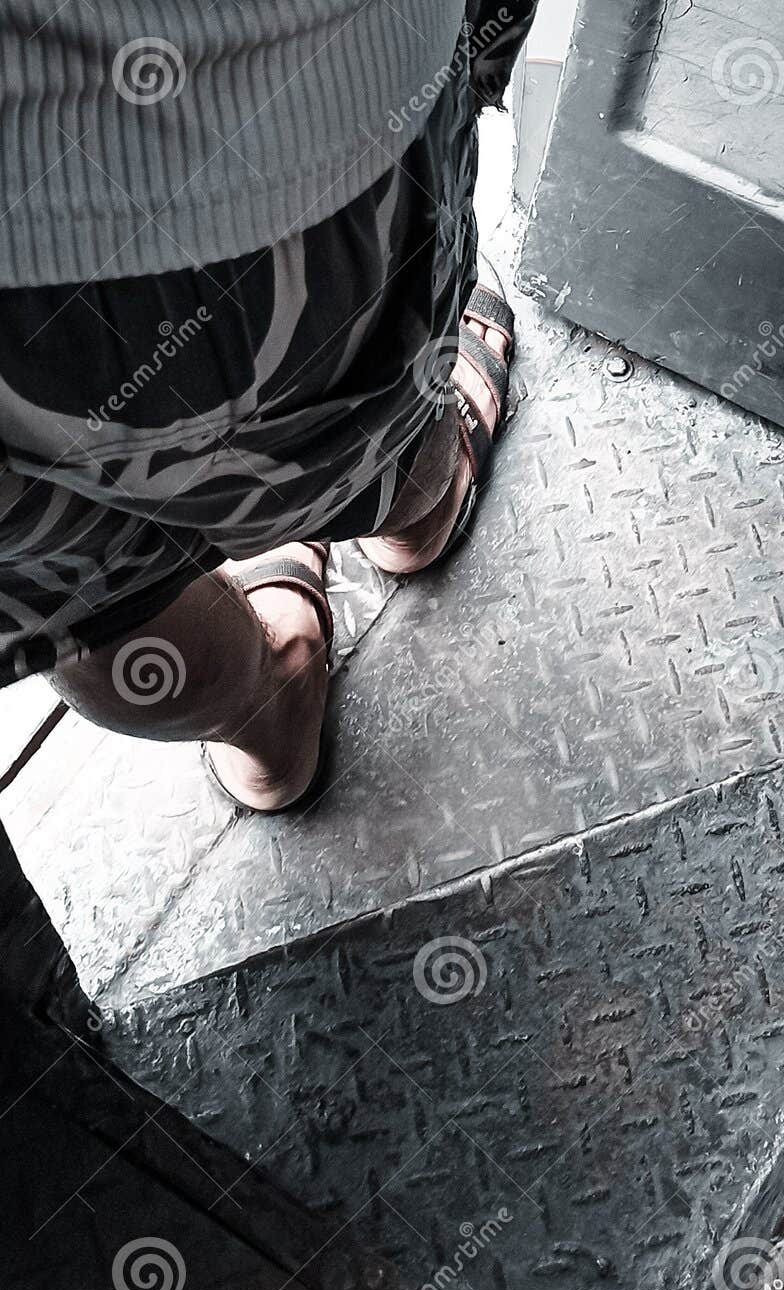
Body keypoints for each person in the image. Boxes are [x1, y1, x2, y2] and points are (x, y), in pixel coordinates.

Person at [0, 1, 536, 809]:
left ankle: (269, 725)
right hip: (262, 136)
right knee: (372, 415)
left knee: (84, 596)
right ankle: (413, 521)